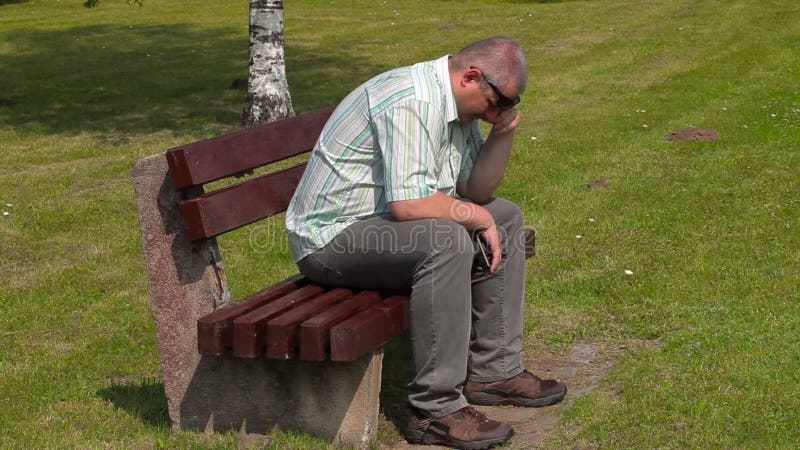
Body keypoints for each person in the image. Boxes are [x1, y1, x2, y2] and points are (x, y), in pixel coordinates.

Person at [285, 36, 566, 449]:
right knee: (447, 237)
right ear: (471, 77)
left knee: (505, 217)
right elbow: (410, 205)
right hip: (332, 239)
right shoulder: (412, 101)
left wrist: (502, 134)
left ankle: (495, 372)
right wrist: (475, 216)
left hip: (383, 231)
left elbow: (477, 189)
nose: (497, 114)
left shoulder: (459, 108)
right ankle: (433, 409)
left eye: (509, 106)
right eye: (499, 103)